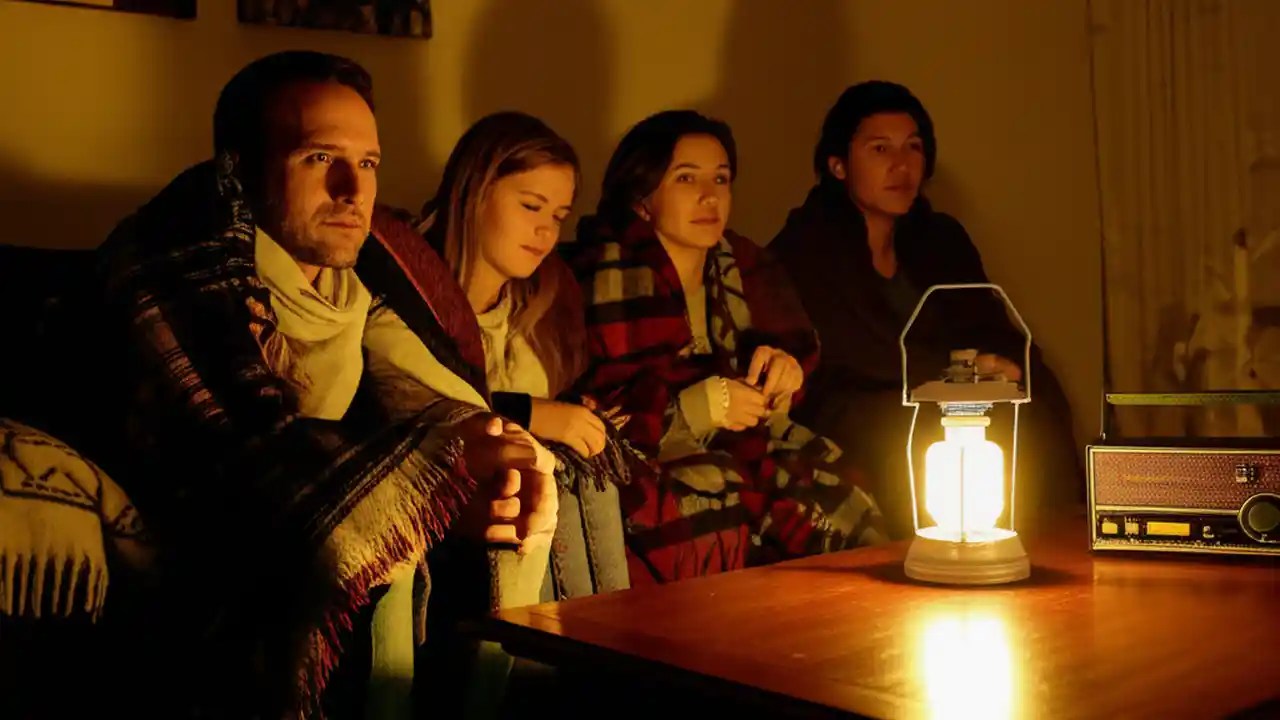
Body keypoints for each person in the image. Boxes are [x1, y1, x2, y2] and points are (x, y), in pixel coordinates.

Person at [90, 51, 557, 717]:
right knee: (373, 524)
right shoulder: (179, 260)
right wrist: (430, 489)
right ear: (240, 169)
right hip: (206, 519)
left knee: (522, 466)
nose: (352, 189)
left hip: (315, 474)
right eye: (318, 158)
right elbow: (239, 456)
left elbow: (425, 391)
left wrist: (481, 455)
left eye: (367, 163)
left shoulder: (370, 271)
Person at [569, 110, 886, 586]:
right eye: (685, 178)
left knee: (845, 494)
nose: (709, 195)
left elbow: (794, 350)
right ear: (641, 198)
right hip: (652, 460)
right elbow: (612, 408)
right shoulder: (606, 274)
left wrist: (784, 373)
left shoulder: (743, 263)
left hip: (751, 446)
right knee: (709, 494)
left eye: (721, 178)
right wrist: (705, 406)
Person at [769, 80, 1082, 539]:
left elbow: (988, 320)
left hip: (951, 389)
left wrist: (1001, 366)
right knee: (908, 428)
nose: (901, 165)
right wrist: (954, 370)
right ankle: (927, 551)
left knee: (1036, 395)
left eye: (913, 147)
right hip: (855, 400)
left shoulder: (939, 238)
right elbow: (838, 354)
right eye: (880, 149)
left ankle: (1050, 538)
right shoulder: (807, 245)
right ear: (838, 164)